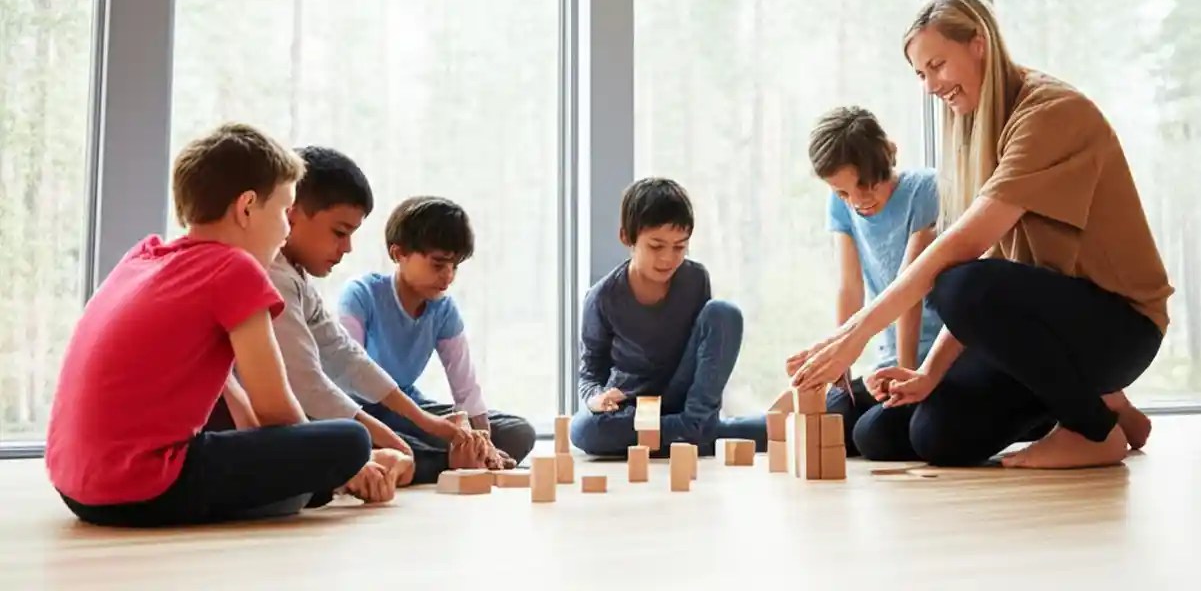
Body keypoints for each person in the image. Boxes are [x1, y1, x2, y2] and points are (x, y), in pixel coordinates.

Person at [790, 0, 1171, 469]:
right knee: (897, 435)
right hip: (1045, 332)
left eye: (937, 65)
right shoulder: (979, 125)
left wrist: (856, 333)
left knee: (958, 283)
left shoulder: (1049, 113)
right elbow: (997, 267)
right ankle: (1101, 406)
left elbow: (966, 254)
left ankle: (1092, 431)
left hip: (1120, 328)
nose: (930, 85)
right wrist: (927, 374)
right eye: (921, 73)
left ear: (978, 43)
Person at [46, 124, 376, 527]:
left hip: (76, 487)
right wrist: (339, 466)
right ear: (247, 207)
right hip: (142, 489)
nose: (288, 228)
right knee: (351, 441)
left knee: (270, 454)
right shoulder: (234, 269)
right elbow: (278, 411)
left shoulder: (145, 258)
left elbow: (227, 387)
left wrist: (276, 449)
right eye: (284, 211)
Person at [270, 147, 497, 488]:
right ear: (292, 215)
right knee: (351, 440)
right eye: (339, 232)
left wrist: (434, 424)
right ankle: (424, 462)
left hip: (370, 410)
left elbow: (347, 356)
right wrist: (396, 440)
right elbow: (314, 384)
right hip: (337, 410)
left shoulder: (296, 277)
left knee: (509, 430)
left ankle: (420, 458)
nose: (347, 248)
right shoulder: (284, 278)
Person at [570, 178, 766, 456]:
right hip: (634, 407)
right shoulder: (602, 297)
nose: (668, 259)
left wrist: (697, 408)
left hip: (683, 398)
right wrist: (596, 400)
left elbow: (705, 352)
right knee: (583, 430)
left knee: (724, 313)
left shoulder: (696, 278)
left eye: (679, 247)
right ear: (627, 237)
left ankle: (691, 428)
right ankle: (698, 434)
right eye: (656, 246)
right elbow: (590, 373)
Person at [339, 196, 535, 464]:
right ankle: (437, 461)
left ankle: (441, 460)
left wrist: (483, 442)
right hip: (360, 411)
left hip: (409, 409)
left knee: (517, 433)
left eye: (455, 266)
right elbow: (350, 373)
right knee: (355, 440)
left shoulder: (443, 309)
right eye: (438, 264)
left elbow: (465, 387)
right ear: (399, 254)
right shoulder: (362, 295)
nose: (448, 276)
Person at [803, 106, 942, 455]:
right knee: (834, 421)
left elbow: (910, 288)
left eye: (865, 185)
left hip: (933, 358)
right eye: (843, 193)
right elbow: (850, 288)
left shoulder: (924, 189)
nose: (858, 201)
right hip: (885, 363)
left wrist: (908, 373)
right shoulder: (841, 207)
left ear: (889, 154)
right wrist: (841, 366)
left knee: (873, 436)